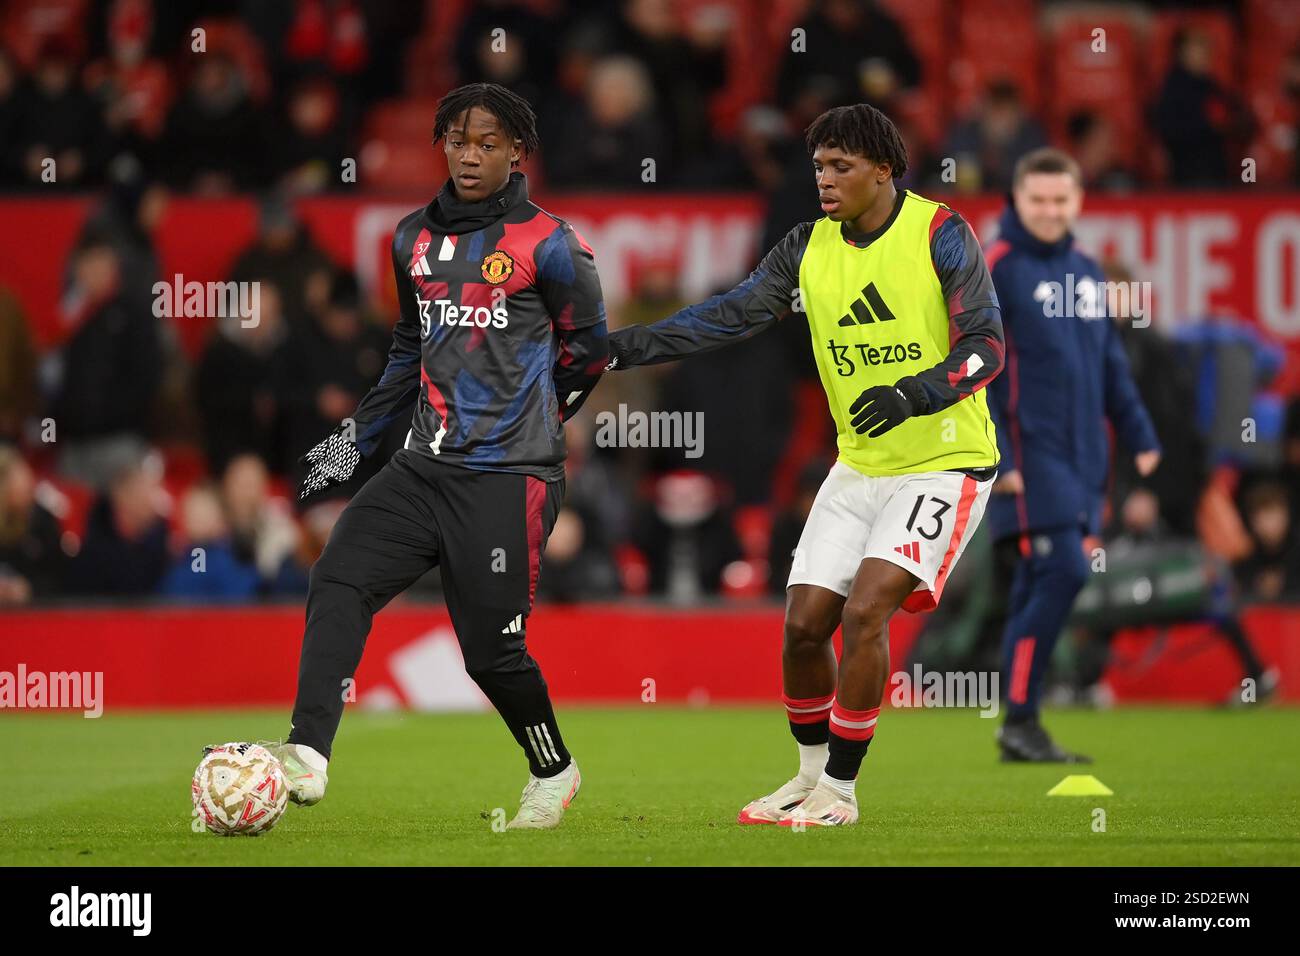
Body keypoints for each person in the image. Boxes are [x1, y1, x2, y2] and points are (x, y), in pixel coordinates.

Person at [606, 103, 1005, 826]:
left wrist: (917, 391)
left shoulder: (940, 233)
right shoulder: (805, 247)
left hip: (945, 460)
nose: (823, 179)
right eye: (818, 165)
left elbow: (986, 346)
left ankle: (843, 796)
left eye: (841, 166)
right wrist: (624, 347)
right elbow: (730, 314)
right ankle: (809, 777)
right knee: (801, 624)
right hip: (859, 467)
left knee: (866, 608)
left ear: (883, 169)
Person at [265, 84, 609, 830]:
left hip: (509, 475)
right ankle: (308, 754)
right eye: (458, 140)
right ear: (442, 146)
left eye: (488, 142)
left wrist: (548, 416)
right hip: (424, 467)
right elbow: (408, 349)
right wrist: (350, 441)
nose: (472, 154)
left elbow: (589, 350)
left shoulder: (550, 243)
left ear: (517, 150)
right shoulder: (410, 238)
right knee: (338, 574)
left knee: (490, 654)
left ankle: (554, 768)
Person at [984, 148, 1161, 761]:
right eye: (1039, 200)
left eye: (1062, 200)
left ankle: (1018, 724)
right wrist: (1000, 456)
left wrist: (1140, 434)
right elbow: (975, 370)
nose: (1051, 211)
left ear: (1079, 202)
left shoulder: (1086, 269)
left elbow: (1110, 365)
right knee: (1064, 571)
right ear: (1017, 199)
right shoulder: (996, 268)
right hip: (1032, 463)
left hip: (1086, 463)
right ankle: (1023, 717)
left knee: (1040, 580)